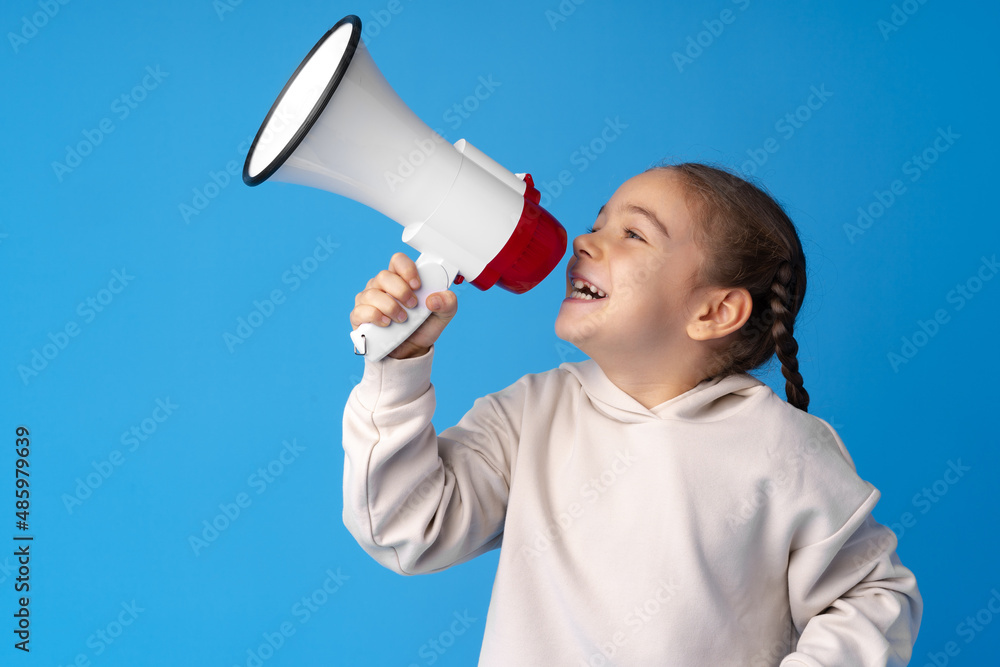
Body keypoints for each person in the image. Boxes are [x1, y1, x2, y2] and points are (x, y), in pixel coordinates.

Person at [341, 163, 922, 665]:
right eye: (596, 224)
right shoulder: (530, 414)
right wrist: (398, 368)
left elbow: (873, 596)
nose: (585, 242)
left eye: (633, 234)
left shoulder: (784, 447)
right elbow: (405, 529)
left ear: (716, 310)